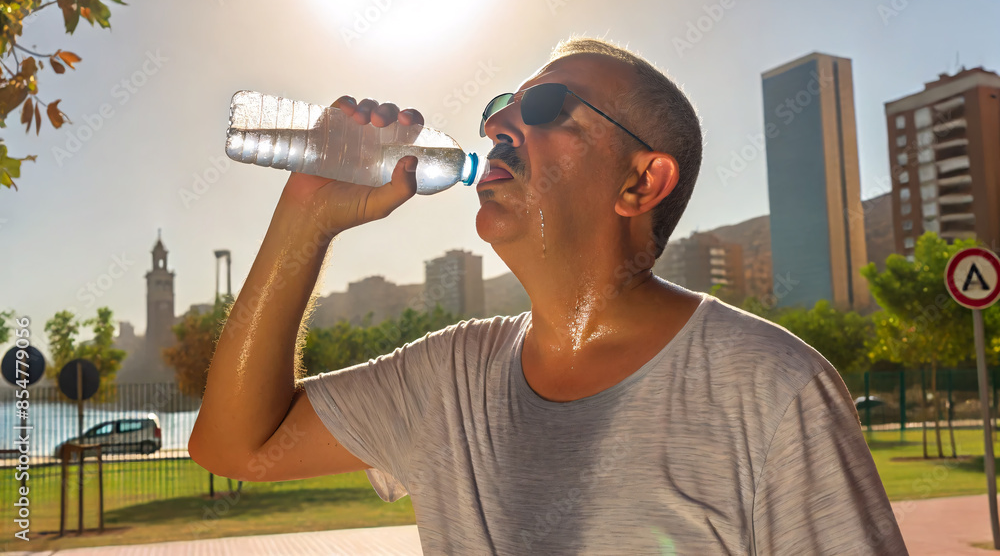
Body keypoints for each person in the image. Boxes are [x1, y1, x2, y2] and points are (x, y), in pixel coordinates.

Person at [189, 37, 907, 554]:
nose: (496, 125)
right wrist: (306, 216)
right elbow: (234, 443)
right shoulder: (450, 377)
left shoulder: (771, 387)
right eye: (501, 107)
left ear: (640, 183)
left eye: (547, 105)